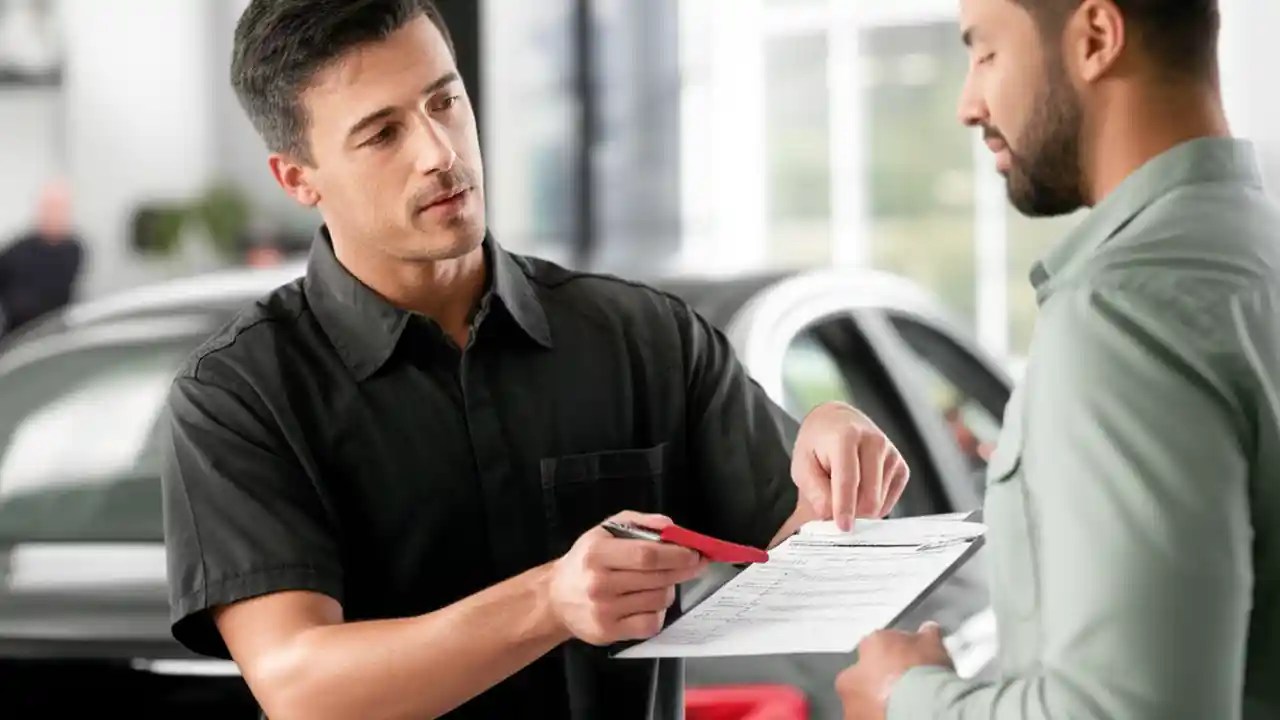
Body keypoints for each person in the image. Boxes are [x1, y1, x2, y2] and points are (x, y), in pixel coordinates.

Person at [160, 2, 911, 719]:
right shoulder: (239, 396)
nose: (439, 152)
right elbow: (302, 687)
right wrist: (551, 601)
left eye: (444, 101)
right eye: (382, 134)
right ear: (297, 178)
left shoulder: (643, 337)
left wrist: (832, 450)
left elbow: (802, 543)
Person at [836, 0, 1280, 718]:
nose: (967, 104)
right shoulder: (1252, 254)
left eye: (985, 54)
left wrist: (904, 698)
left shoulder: (1121, 311)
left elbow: (1124, 711)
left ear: (1096, 37)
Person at [0, 179, 84, 337]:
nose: (54, 214)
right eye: (49, 207)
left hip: (57, 336)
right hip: (17, 338)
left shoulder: (75, 249)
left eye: (60, 208)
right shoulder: (16, 250)